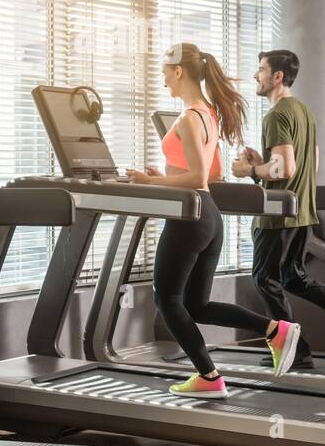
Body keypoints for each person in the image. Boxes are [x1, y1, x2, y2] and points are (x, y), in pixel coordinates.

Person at [126, 43, 302, 399]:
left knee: (167, 299)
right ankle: (275, 330)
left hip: (189, 217)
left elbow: (196, 178)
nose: (163, 81)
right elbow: (215, 171)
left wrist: (150, 181)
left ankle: (209, 377)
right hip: (209, 218)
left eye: (164, 73)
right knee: (197, 305)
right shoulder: (208, 114)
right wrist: (166, 173)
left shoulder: (190, 116)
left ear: (179, 71)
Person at [232, 50, 325, 366]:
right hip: (301, 213)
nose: (255, 76)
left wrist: (249, 171)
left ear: (277, 76)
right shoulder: (303, 112)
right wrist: (263, 164)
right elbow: (307, 164)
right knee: (293, 278)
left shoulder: (276, 115)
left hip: (276, 217)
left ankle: (294, 349)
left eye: (260, 70)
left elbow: (284, 169)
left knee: (264, 280)